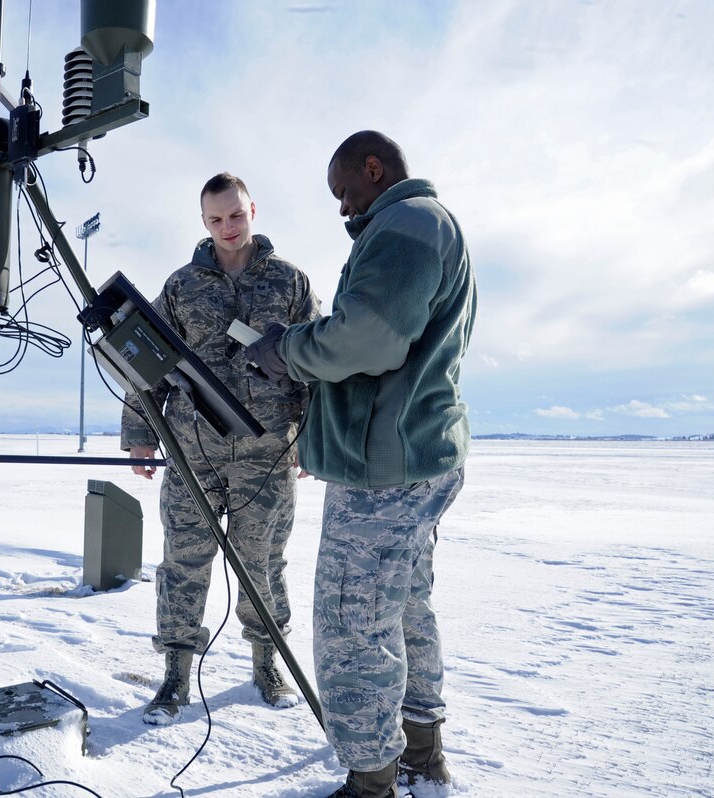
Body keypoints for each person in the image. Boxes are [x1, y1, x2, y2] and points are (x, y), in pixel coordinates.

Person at [246, 131, 476, 798]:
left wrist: (286, 349)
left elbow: (368, 340)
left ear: (374, 169)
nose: (342, 207)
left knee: (353, 623)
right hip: (415, 455)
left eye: (344, 191)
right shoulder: (423, 224)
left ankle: (372, 782)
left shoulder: (407, 224)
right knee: (402, 608)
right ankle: (421, 752)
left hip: (386, 471)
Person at [121, 172, 322, 725]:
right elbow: (145, 363)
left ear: (252, 210)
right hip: (194, 453)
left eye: (235, 215)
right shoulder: (182, 286)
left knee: (263, 562)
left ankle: (267, 663)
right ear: (203, 222)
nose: (227, 227)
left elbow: (318, 363)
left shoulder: (290, 281)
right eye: (215, 219)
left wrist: (313, 437)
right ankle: (175, 673)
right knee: (183, 562)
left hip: (269, 453)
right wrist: (140, 435)